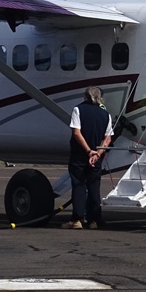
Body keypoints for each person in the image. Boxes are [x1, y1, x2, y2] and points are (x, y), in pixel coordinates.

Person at [63, 86, 113, 229]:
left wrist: (88, 151)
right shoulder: (106, 114)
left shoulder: (78, 110)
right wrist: (98, 153)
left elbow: (77, 133)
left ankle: (77, 219)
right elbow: (108, 138)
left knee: (78, 184)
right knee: (94, 185)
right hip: (97, 156)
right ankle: (95, 219)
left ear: (85, 97)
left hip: (80, 154)